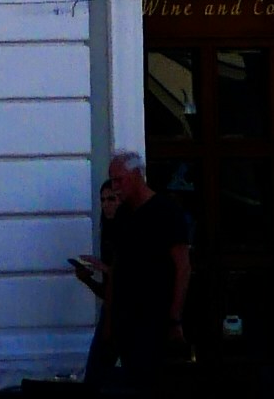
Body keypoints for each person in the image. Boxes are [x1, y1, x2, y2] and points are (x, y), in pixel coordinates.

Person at [71, 152, 190, 386]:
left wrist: (174, 319)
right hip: (122, 319)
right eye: (112, 180)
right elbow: (118, 269)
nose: (115, 187)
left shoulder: (166, 212)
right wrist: (108, 321)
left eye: (119, 180)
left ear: (137, 176)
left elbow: (183, 267)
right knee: (99, 379)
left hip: (151, 320)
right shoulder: (124, 214)